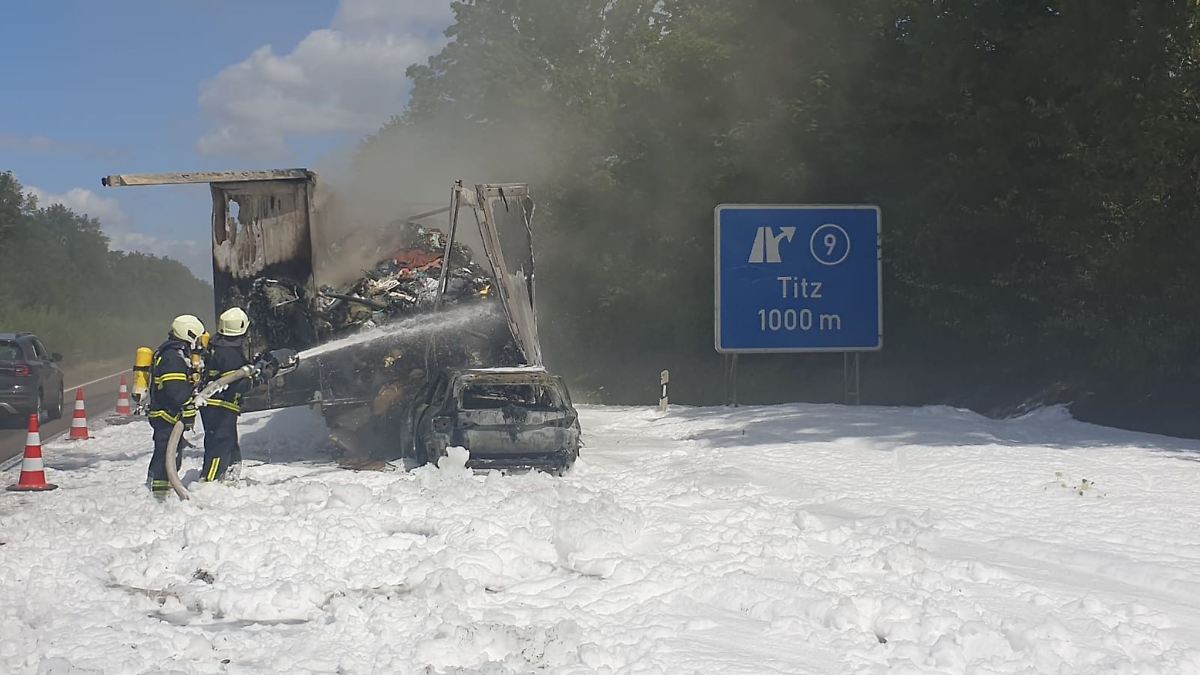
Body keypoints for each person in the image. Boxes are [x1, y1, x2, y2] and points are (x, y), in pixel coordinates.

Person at [147, 314, 204, 497]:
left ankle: (155, 489)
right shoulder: (172, 356)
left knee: (168, 455)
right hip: (166, 415)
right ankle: (159, 496)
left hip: (166, 414)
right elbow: (175, 390)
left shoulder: (173, 352)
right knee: (166, 457)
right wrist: (187, 404)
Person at [200, 307, 252, 483]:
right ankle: (210, 481)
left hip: (218, 406)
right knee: (219, 444)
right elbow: (235, 383)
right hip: (220, 407)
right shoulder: (229, 353)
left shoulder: (219, 346)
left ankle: (229, 475)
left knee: (227, 441)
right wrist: (256, 380)